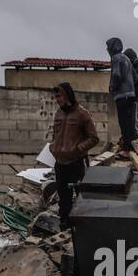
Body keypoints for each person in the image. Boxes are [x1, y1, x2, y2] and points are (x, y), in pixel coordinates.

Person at [48, 83, 98, 231]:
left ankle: (84, 229)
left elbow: (94, 138)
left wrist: (78, 149)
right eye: (56, 97)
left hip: (76, 163)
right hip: (60, 163)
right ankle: (65, 228)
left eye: (59, 96)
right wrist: (53, 147)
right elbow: (55, 135)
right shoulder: (58, 113)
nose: (57, 100)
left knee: (81, 197)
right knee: (64, 200)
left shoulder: (82, 114)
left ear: (67, 96)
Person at [105, 38, 137, 153]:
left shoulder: (116, 58)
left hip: (122, 96)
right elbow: (135, 76)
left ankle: (127, 149)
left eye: (108, 47)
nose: (107, 49)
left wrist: (113, 88)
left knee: (123, 122)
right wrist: (131, 87)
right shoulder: (127, 58)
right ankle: (133, 147)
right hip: (131, 95)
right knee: (130, 123)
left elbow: (116, 75)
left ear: (113, 47)